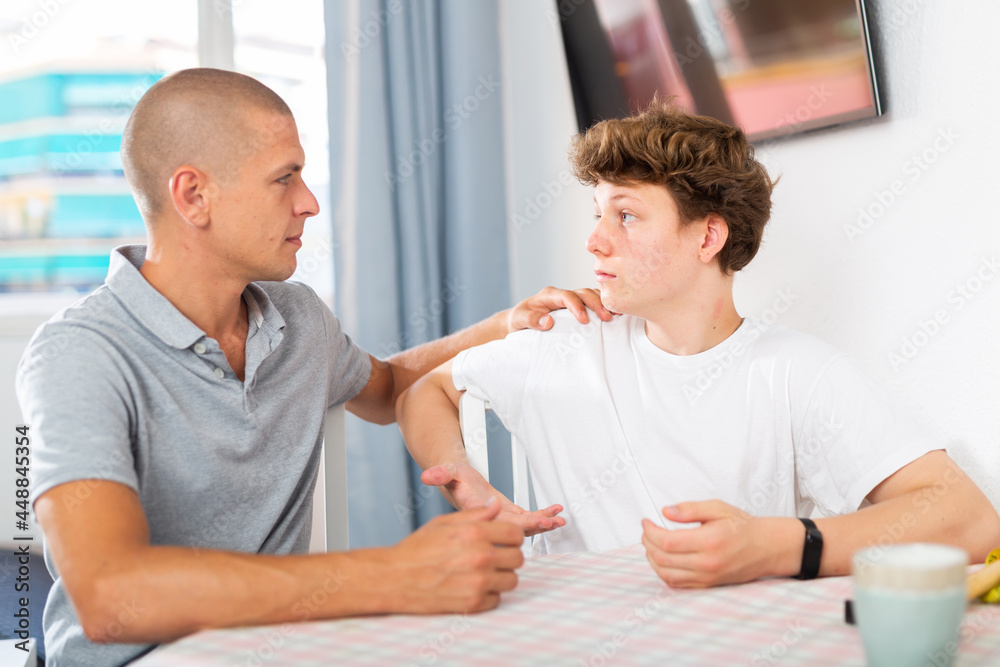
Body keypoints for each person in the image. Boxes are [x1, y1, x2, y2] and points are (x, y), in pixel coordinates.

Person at [15, 68, 611, 666]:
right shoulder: (80, 354)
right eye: (284, 178)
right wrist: (396, 574)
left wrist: (502, 325)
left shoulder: (296, 318)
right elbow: (109, 595)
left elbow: (388, 388)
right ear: (193, 196)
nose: (310, 202)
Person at [397, 100, 1000, 589]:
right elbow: (424, 392)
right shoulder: (566, 341)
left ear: (709, 235)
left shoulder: (796, 372)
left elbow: (969, 518)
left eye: (626, 216)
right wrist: (464, 482)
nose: (594, 242)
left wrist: (778, 545)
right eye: (597, 213)